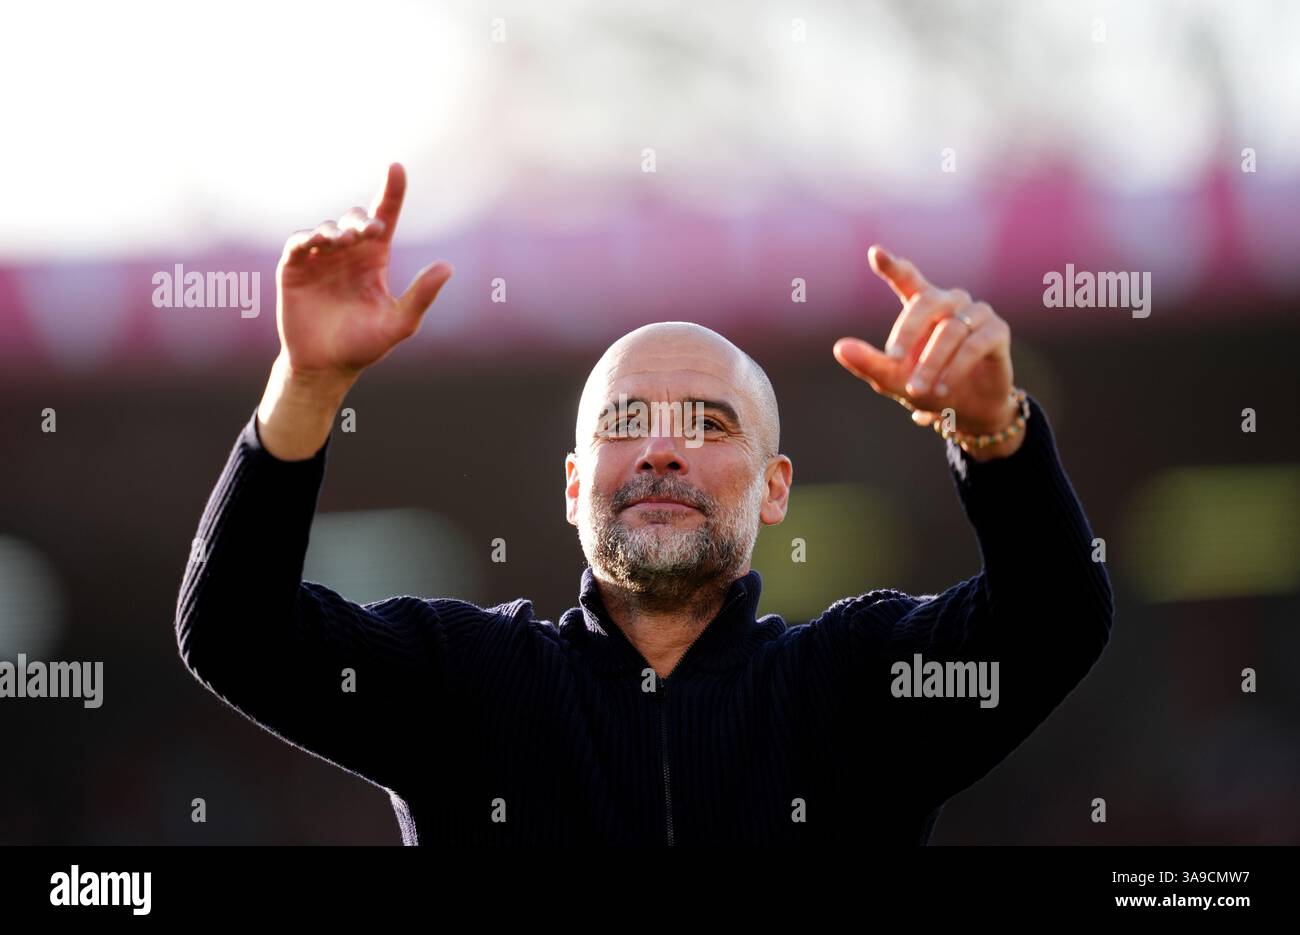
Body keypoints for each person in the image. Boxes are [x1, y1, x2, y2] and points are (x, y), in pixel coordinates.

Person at [175, 163, 1114, 845]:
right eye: (627, 419)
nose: (662, 444)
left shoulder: (855, 688)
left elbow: (1055, 622)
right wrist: (304, 385)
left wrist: (995, 435)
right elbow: (233, 635)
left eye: (707, 422)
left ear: (774, 487)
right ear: (575, 485)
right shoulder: (468, 684)